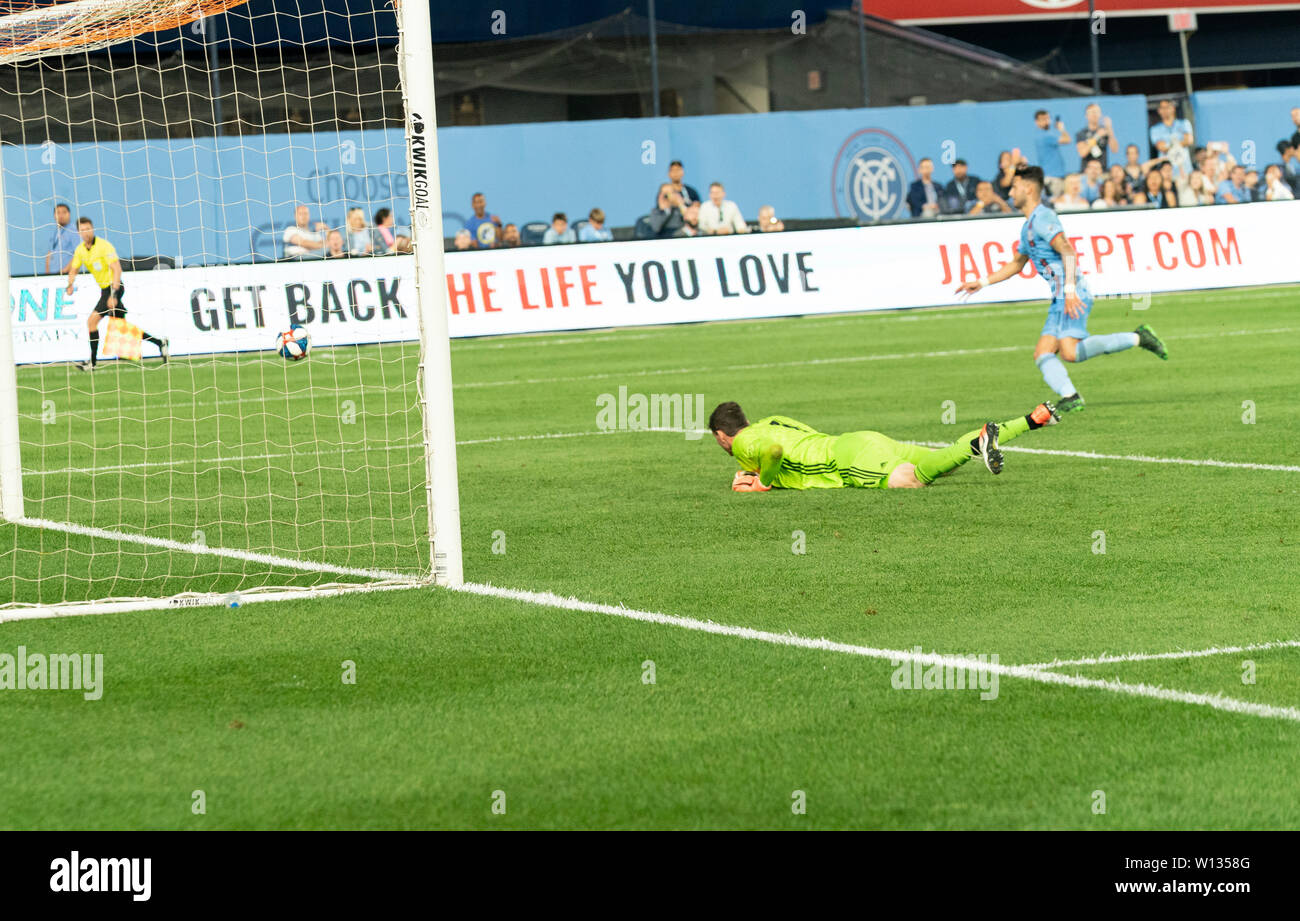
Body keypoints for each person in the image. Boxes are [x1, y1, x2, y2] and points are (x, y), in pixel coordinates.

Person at [954, 165, 1168, 414]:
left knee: (1069, 352)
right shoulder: (1028, 227)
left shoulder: (1043, 217)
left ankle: (1138, 338)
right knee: (1043, 352)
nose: (1010, 192)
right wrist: (982, 283)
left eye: (1014, 187)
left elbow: (1067, 250)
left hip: (1072, 293)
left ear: (1028, 188)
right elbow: (1016, 264)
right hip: (1061, 296)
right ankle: (1071, 395)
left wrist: (1069, 291)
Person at [710, 399, 1061, 493]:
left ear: (723, 436)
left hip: (848, 461)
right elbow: (801, 437)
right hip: (860, 440)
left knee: (912, 480)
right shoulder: (771, 420)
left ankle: (981, 440)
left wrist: (763, 482)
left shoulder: (743, 444)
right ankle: (1032, 420)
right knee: (947, 462)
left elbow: (773, 453)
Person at [65, 217, 168, 371]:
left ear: (92, 229)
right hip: (105, 290)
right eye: (83, 230)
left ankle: (92, 363)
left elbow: (117, 269)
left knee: (92, 322)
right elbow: (74, 268)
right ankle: (160, 343)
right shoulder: (80, 250)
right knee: (122, 327)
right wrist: (70, 284)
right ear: (79, 232)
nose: (86, 233)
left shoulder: (104, 246)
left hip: (114, 287)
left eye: (88, 229)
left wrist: (113, 294)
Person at [1149, 99, 1194, 176]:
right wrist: (1180, 143)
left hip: (1185, 169)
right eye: (1162, 108)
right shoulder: (1155, 129)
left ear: (1173, 108)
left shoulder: (1184, 123)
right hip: (1166, 171)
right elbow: (1161, 147)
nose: (1165, 110)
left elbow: (1189, 141)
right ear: (1159, 111)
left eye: (1167, 107)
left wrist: (1168, 145)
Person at [1032, 109, 1071, 197]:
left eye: (1048, 118)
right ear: (1036, 122)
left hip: (1053, 177)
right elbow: (1067, 140)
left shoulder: (1042, 134)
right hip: (1053, 179)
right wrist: (1062, 129)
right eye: (1043, 119)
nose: (1047, 121)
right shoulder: (1045, 135)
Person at [1075, 103, 1119, 170]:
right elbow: (1082, 153)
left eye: (1097, 112)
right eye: (1092, 112)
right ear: (1086, 116)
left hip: (1102, 170)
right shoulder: (1081, 133)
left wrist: (1110, 129)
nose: (1094, 115)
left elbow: (1115, 149)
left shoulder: (1105, 131)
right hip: (1087, 171)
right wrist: (1097, 136)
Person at [45, 203, 80, 275]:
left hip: (66, 275)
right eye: (58, 212)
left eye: (64, 212)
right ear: (54, 216)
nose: (61, 215)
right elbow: (49, 253)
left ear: (69, 214)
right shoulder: (55, 232)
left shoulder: (73, 231)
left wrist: (65, 271)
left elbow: (79, 253)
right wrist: (47, 272)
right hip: (52, 275)